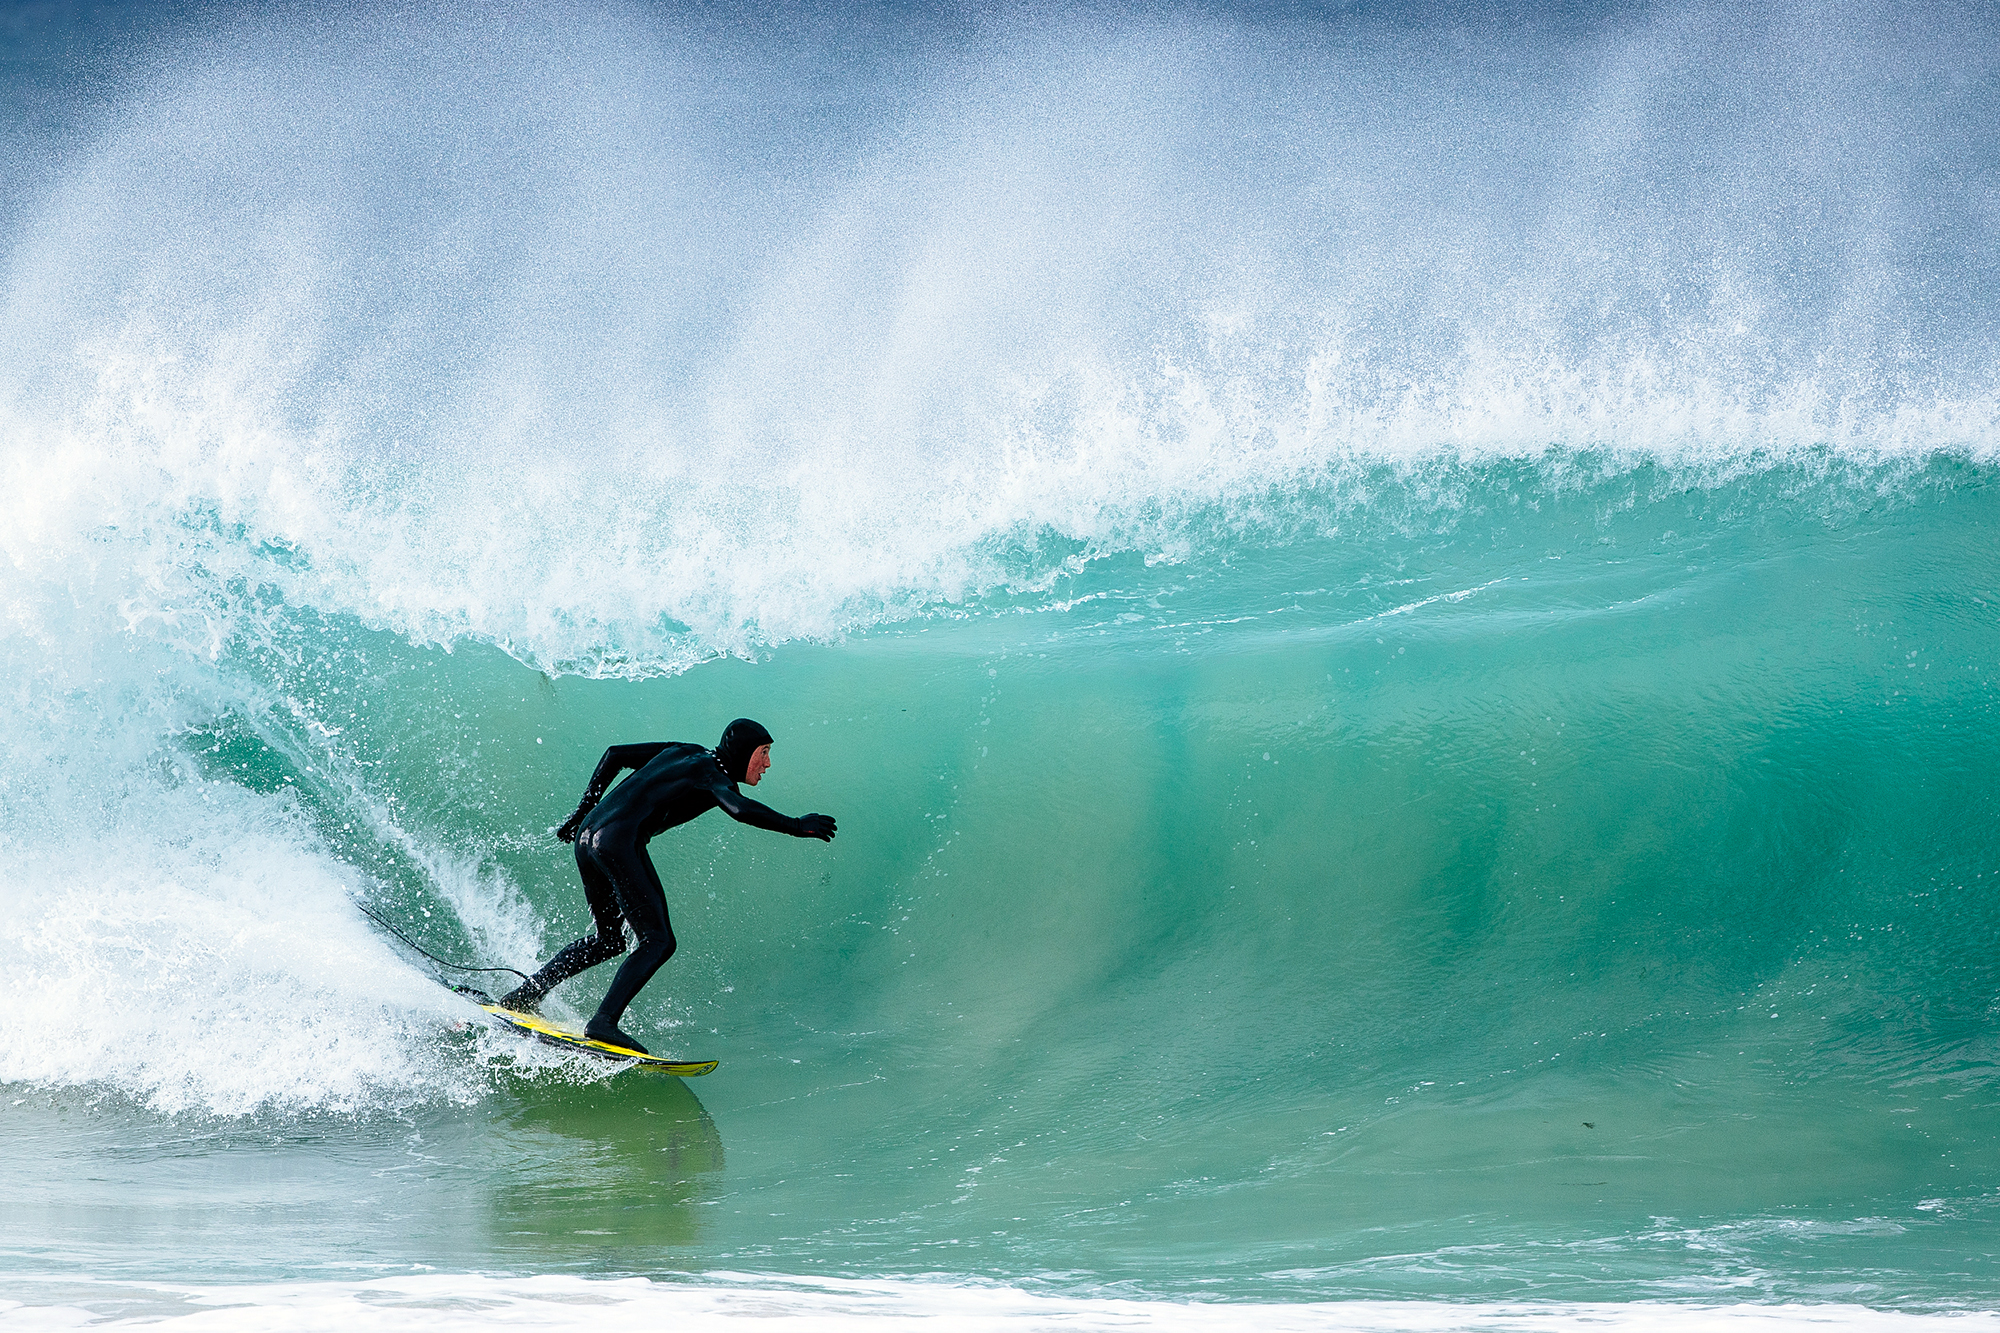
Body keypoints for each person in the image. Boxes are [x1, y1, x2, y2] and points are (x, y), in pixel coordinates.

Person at [499, 718, 836, 1053]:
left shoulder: (685, 751)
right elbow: (739, 809)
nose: (767, 763)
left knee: (609, 940)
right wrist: (796, 825)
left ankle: (526, 995)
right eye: (763, 753)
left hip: (588, 835)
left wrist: (583, 810)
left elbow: (614, 754)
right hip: (617, 841)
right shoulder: (713, 775)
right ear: (743, 752)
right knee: (658, 941)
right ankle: (603, 1022)